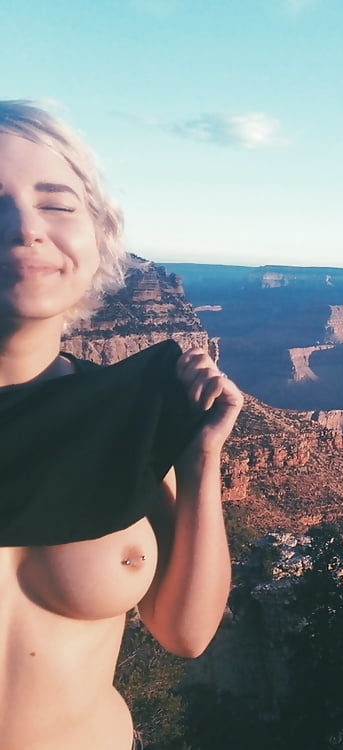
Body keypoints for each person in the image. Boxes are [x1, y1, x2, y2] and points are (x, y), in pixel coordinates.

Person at [0, 101, 243, 749]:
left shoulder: (123, 415)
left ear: (99, 234)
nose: (24, 227)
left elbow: (183, 633)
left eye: (56, 203)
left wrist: (198, 463)